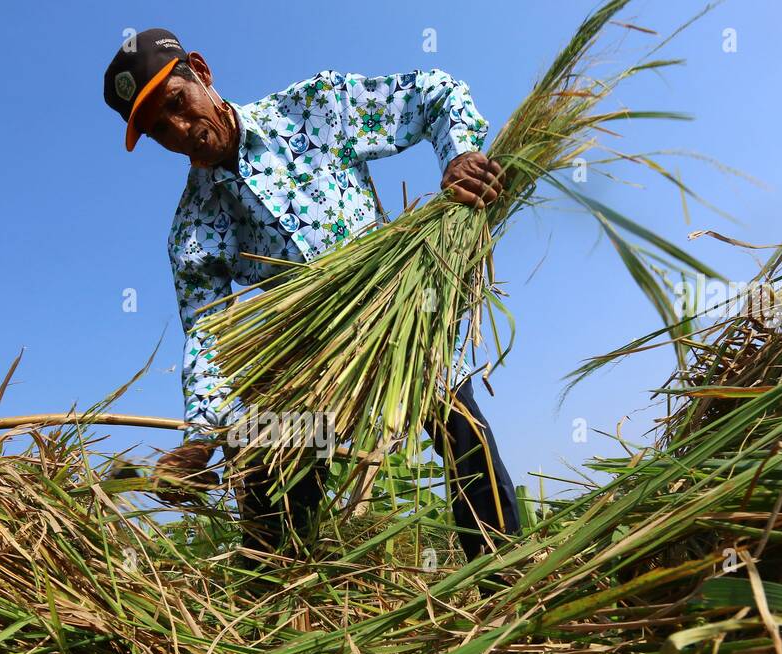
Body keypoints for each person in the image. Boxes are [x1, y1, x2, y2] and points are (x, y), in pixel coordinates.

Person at [103, 28, 521, 563]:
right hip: (314, 359)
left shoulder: (312, 113)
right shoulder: (195, 229)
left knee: (466, 437)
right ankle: (271, 607)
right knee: (269, 470)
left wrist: (459, 157)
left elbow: (434, 93)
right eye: (160, 130)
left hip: (399, 310)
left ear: (202, 74)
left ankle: (502, 579)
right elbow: (206, 332)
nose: (181, 130)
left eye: (178, 105)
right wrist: (200, 439)